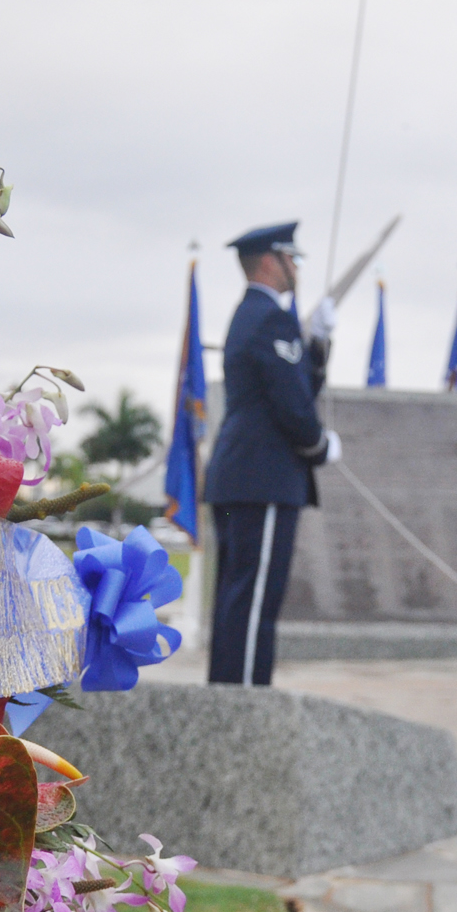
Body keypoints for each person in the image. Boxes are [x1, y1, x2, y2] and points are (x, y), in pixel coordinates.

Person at [203, 221, 340, 686]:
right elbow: (293, 406)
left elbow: (291, 383)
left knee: (237, 598)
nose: (297, 268)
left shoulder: (251, 315)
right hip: (261, 477)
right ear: (270, 261)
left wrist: (317, 347)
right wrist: (320, 445)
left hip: (242, 476)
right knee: (254, 599)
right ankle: (245, 699)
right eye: (292, 259)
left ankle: (229, 695)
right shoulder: (270, 318)